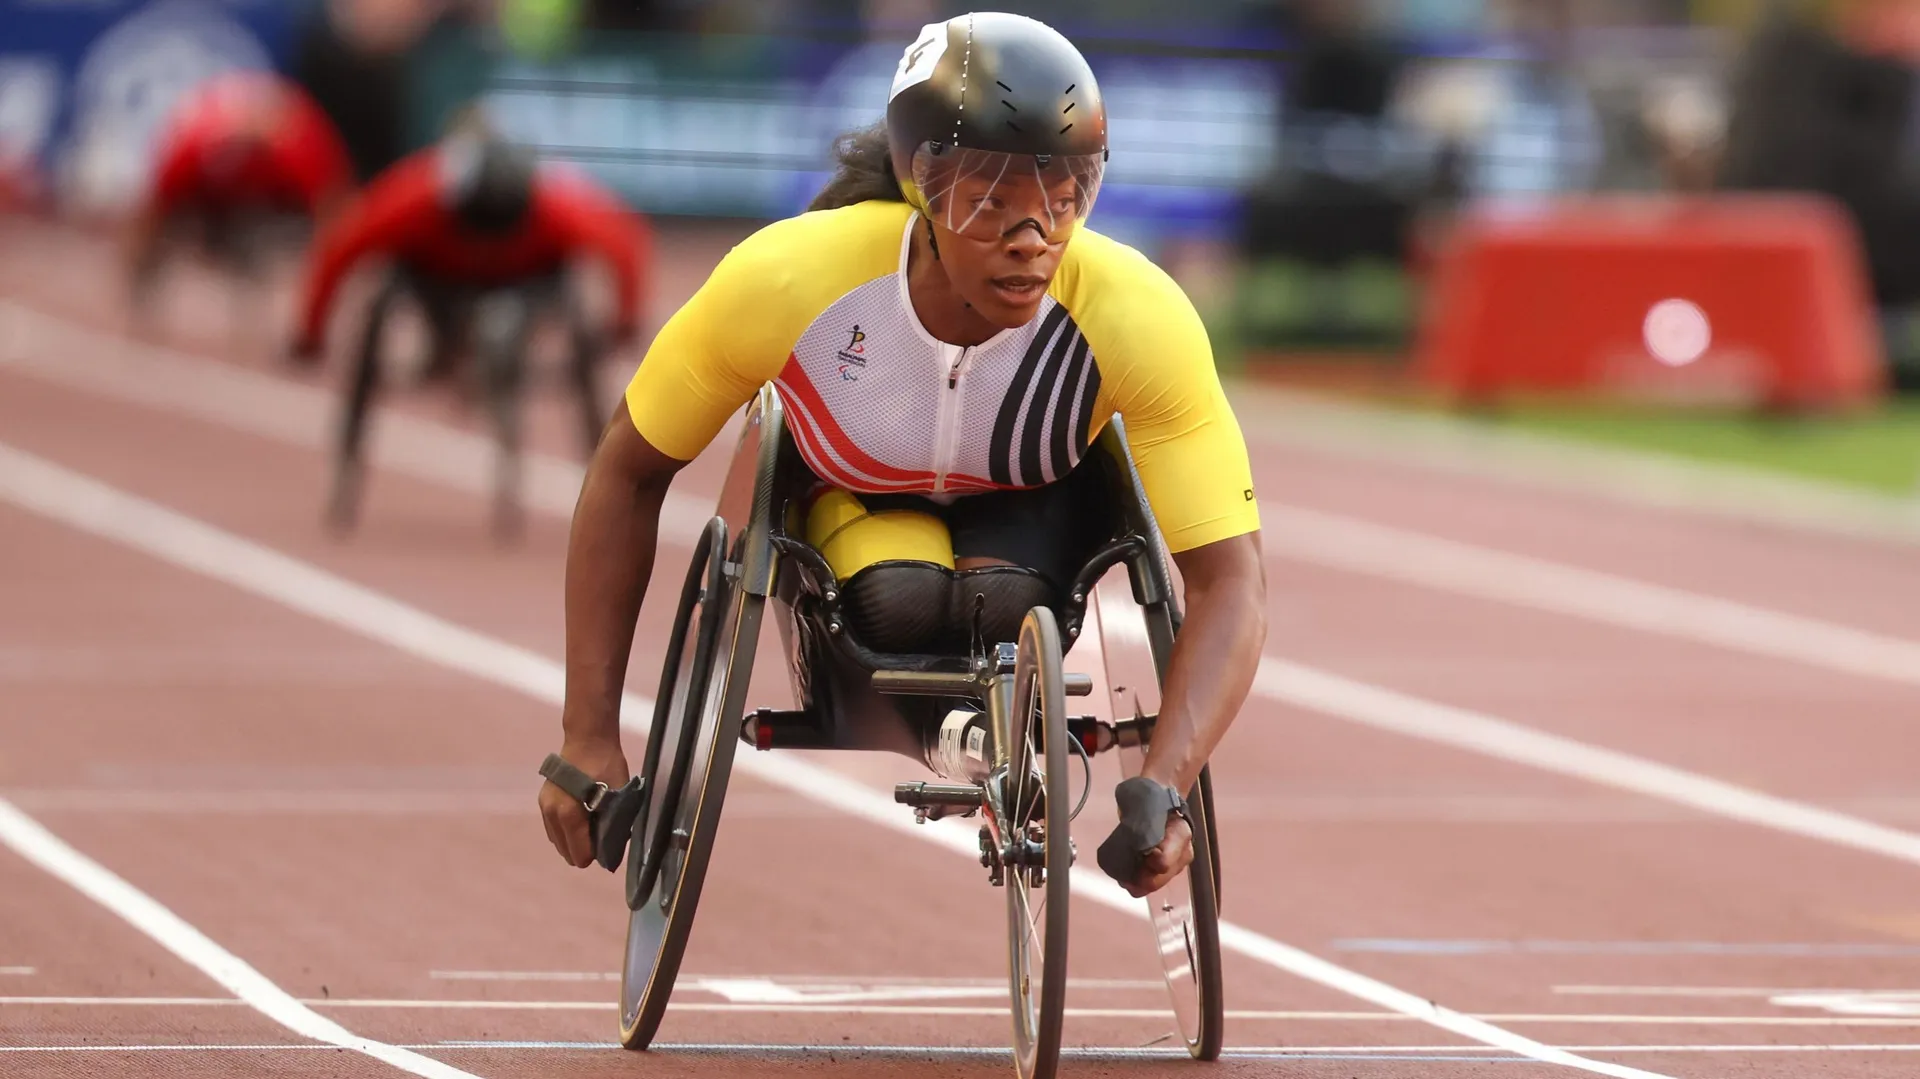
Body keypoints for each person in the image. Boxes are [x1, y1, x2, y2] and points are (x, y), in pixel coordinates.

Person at [536, 12, 1268, 898]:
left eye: (1066, 195)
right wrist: (587, 732)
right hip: (852, 492)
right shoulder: (789, 281)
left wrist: (1167, 781)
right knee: (904, 600)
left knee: (1000, 612)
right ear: (920, 184)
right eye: (988, 200)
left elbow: (1230, 577)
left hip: (1030, 501)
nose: (1031, 238)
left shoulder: (1134, 316)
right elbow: (628, 468)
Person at [290, 119, 652, 540]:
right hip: (437, 283)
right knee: (377, 308)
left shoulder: (557, 206)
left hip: (527, 281)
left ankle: (601, 474)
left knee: (582, 330)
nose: (487, 240)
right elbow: (340, 250)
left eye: (500, 223)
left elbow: (625, 246)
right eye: (480, 222)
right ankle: (351, 461)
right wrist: (311, 332)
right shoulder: (413, 198)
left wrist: (623, 323)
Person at [126, 71, 353, 324]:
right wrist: (140, 257)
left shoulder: (302, 152)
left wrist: (322, 289)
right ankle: (140, 282)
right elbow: (155, 206)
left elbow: (332, 213)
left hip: (275, 210)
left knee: (308, 238)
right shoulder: (192, 145)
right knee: (156, 235)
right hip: (208, 201)